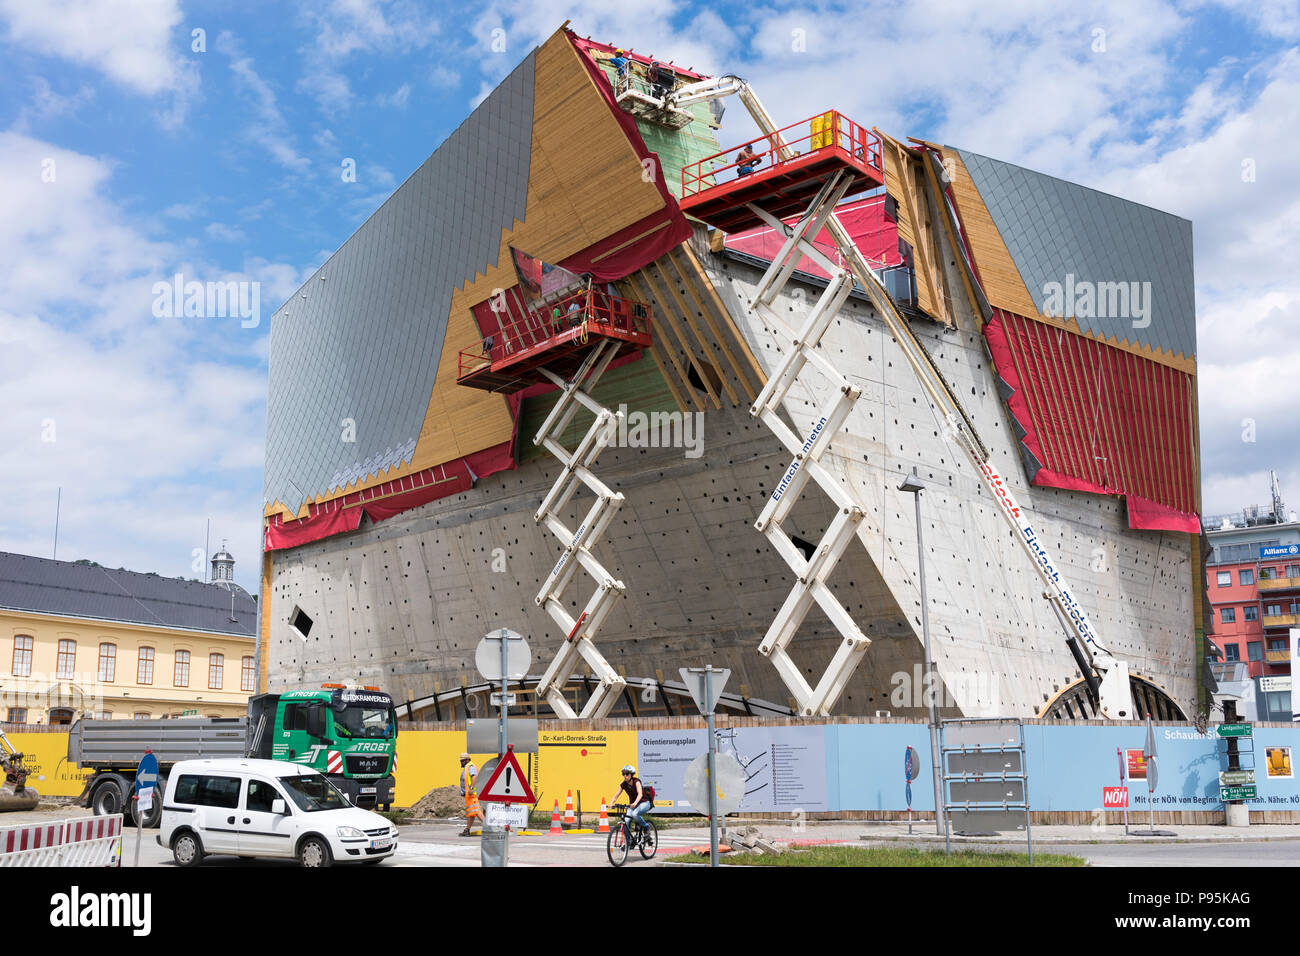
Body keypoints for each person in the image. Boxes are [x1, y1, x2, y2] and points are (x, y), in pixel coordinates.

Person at [611, 765, 654, 838]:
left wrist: (635, 803)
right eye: (623, 774)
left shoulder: (636, 782)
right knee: (626, 821)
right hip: (632, 805)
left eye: (627, 774)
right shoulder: (624, 784)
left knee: (635, 814)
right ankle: (628, 842)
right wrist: (611, 803)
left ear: (631, 775)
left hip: (644, 803)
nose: (625, 776)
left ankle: (646, 827)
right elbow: (616, 795)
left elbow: (640, 794)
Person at [459, 752, 483, 836]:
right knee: (472, 813)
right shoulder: (467, 767)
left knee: (477, 812)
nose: (461, 762)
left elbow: (474, 777)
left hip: (472, 794)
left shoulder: (471, 767)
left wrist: (471, 788)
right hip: (469, 795)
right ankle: (467, 830)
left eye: (463, 760)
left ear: (468, 760)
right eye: (461, 761)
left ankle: (489, 828)